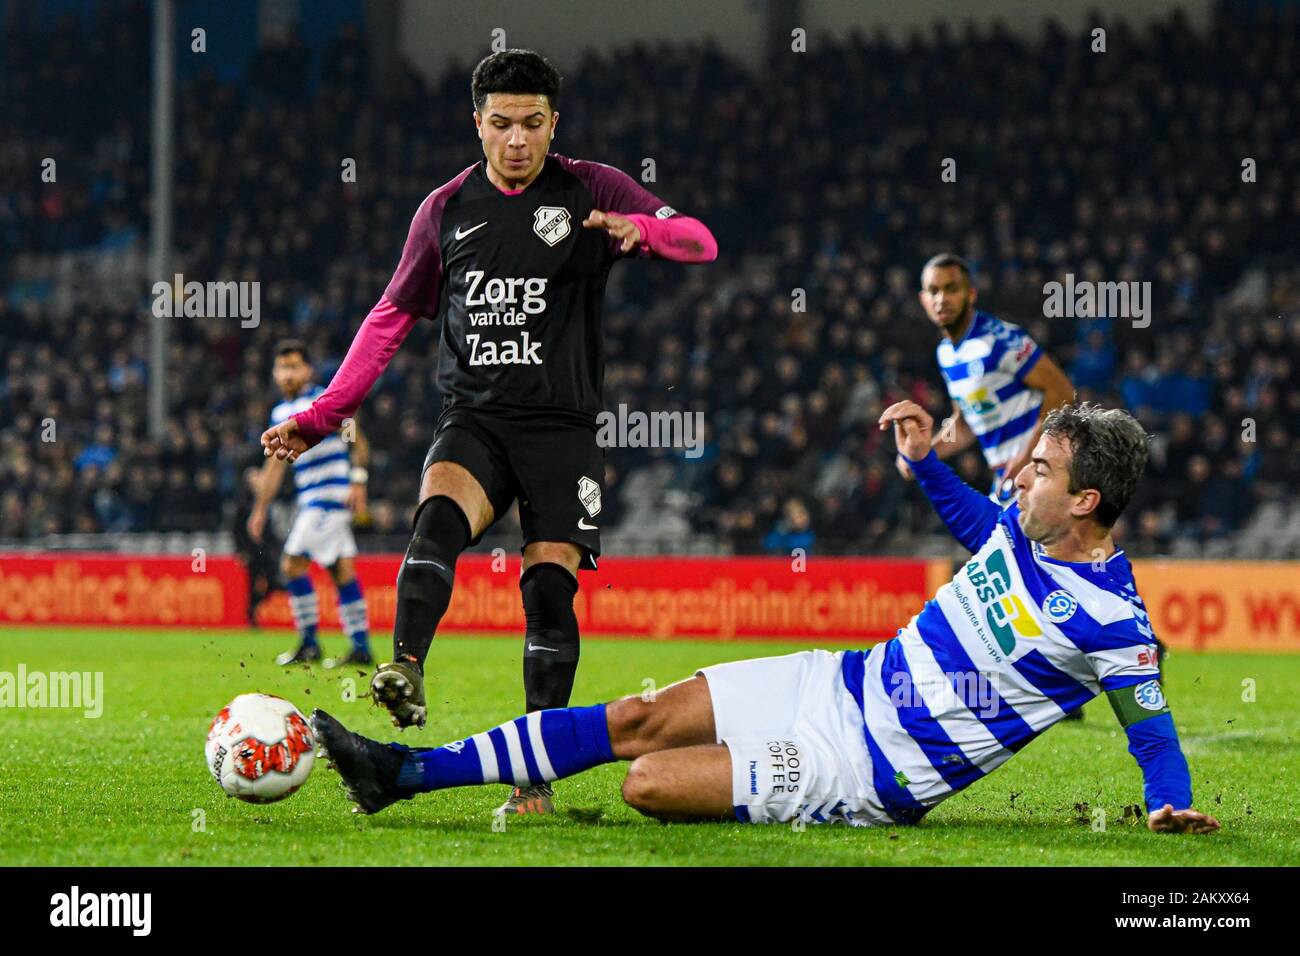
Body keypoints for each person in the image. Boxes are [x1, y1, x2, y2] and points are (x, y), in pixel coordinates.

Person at [308, 402, 1219, 836]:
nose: (1021, 476)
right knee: (633, 718)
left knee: (647, 783)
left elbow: (1153, 736)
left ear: (1088, 499)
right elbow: (982, 526)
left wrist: (1171, 802)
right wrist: (922, 467)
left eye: (1045, 470)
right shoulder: (1020, 529)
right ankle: (404, 773)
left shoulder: (1113, 622)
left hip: (865, 768)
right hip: (840, 679)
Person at [259, 49, 717, 815]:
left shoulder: (592, 188)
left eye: (532, 124)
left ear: (553, 124)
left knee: (547, 589)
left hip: (563, 429)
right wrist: (323, 414)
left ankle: (532, 778)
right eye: (500, 124)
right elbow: (390, 317)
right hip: (475, 417)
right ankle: (406, 669)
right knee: (437, 517)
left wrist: (642, 229)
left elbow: (699, 240)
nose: (516, 141)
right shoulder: (445, 208)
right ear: (476, 122)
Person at [900, 253, 1075, 505]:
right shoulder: (946, 354)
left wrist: (1028, 457)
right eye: (934, 291)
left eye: (951, 289)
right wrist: (923, 455)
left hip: (1042, 472)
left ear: (971, 293)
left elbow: (1063, 392)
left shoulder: (1000, 338)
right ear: (923, 300)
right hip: (1008, 478)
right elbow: (963, 424)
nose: (942, 299)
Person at [248, 340, 373, 668]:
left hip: (328, 499)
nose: (288, 374)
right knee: (341, 571)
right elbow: (275, 467)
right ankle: (360, 647)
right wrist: (261, 507)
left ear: (308, 370)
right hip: (315, 501)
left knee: (291, 565)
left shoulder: (324, 403)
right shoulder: (280, 412)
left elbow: (358, 443)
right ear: (275, 373)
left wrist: (358, 481)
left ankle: (309, 644)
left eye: (294, 367)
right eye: (282, 367)